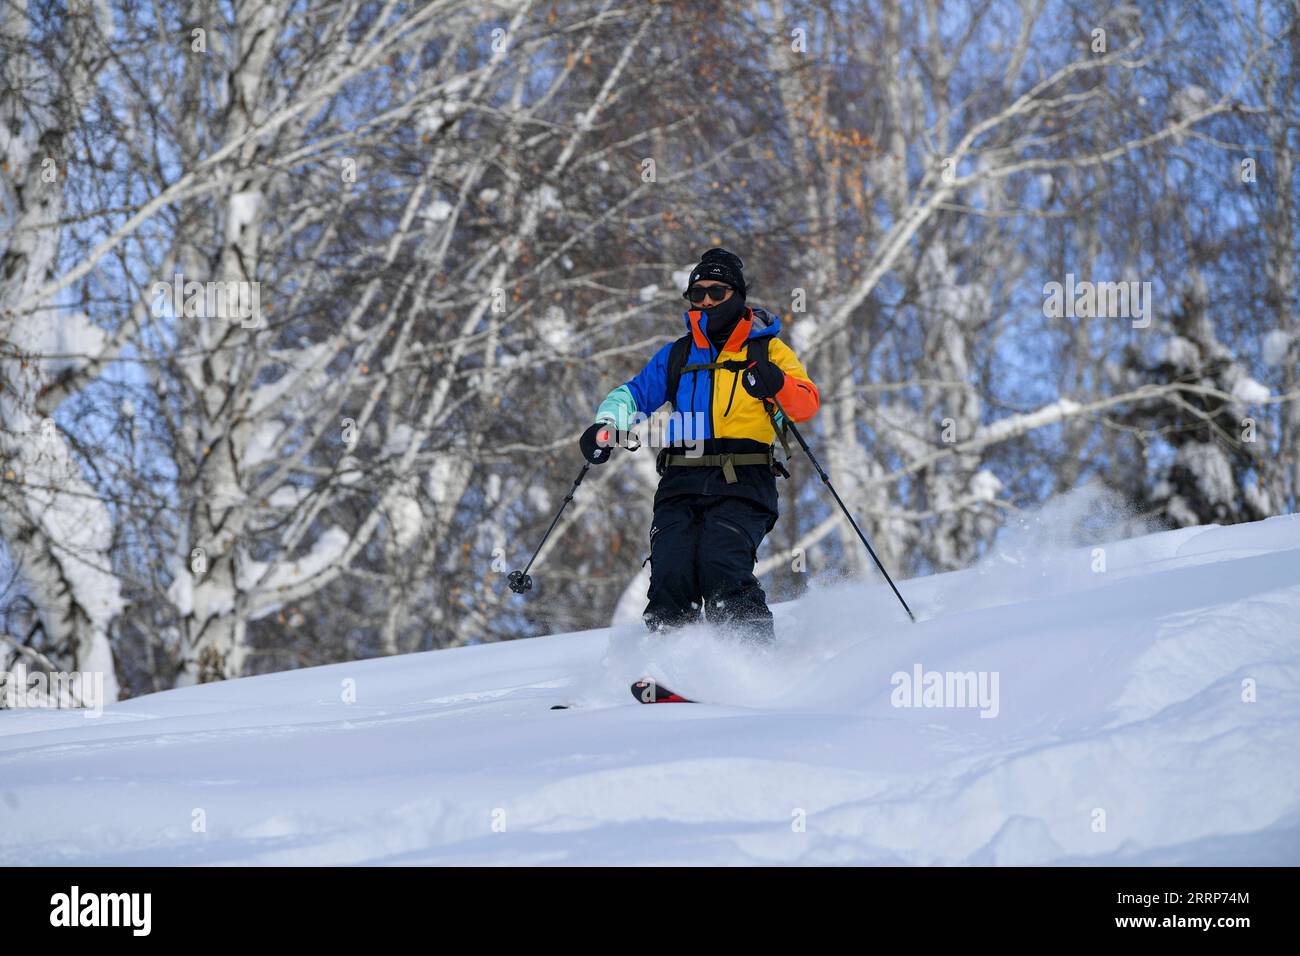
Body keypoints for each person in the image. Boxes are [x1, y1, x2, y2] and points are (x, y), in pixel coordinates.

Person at [578, 248, 820, 642]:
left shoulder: (767, 350)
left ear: (737, 295)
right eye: (697, 293)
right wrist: (607, 425)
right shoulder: (678, 353)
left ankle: (751, 657)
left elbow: (806, 403)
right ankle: (670, 664)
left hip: (744, 478)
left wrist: (775, 382)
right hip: (681, 479)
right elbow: (634, 395)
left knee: (721, 562)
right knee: (672, 570)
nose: (706, 301)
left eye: (717, 292)